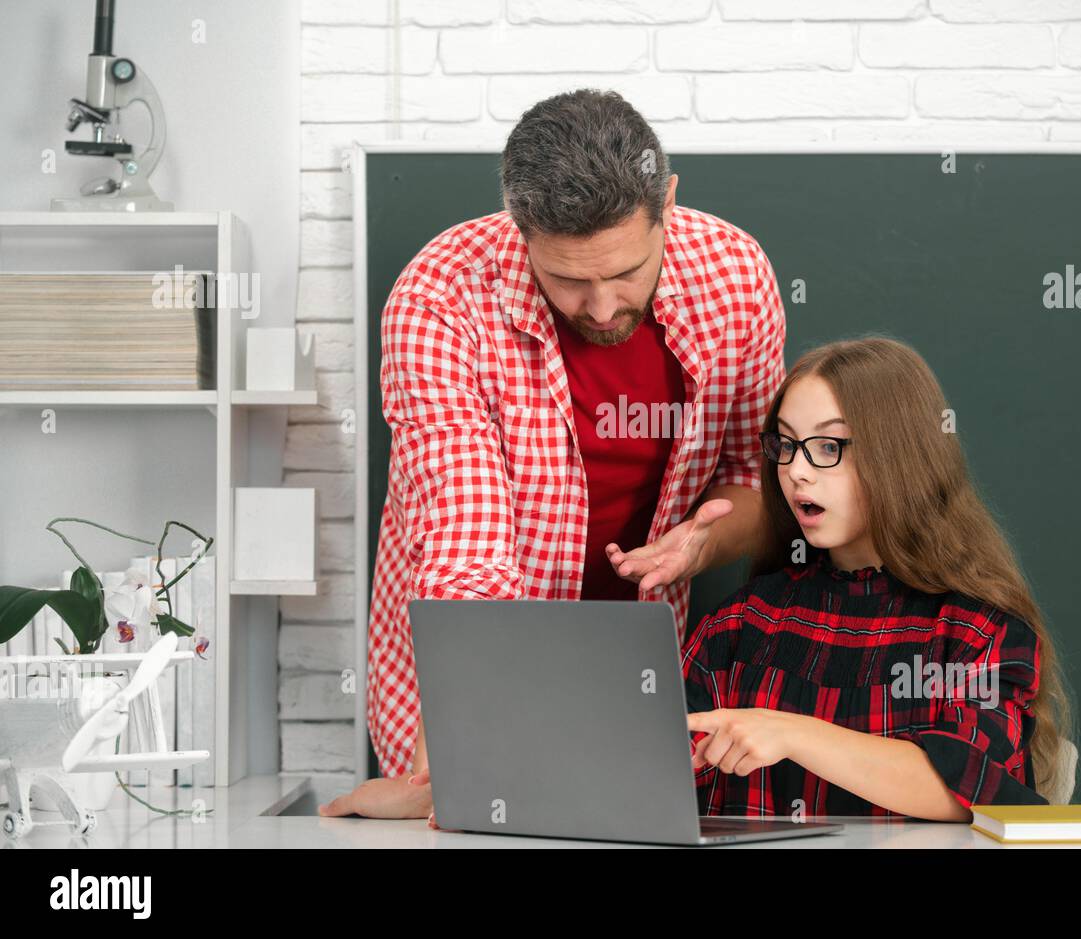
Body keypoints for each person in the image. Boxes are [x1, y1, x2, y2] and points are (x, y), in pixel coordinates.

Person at [320, 89, 785, 821]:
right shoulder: (440, 296)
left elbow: (754, 482)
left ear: (667, 202)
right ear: (520, 226)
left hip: (639, 680)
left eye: (627, 272)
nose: (602, 308)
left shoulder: (736, 278)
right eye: (569, 279)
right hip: (467, 674)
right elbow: (466, 551)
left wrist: (702, 544)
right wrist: (470, 746)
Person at [683, 336, 1074, 819]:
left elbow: (980, 790)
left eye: (828, 446)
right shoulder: (741, 622)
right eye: (785, 444)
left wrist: (790, 733)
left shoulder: (977, 628)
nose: (796, 471)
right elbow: (654, 773)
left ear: (900, 456)